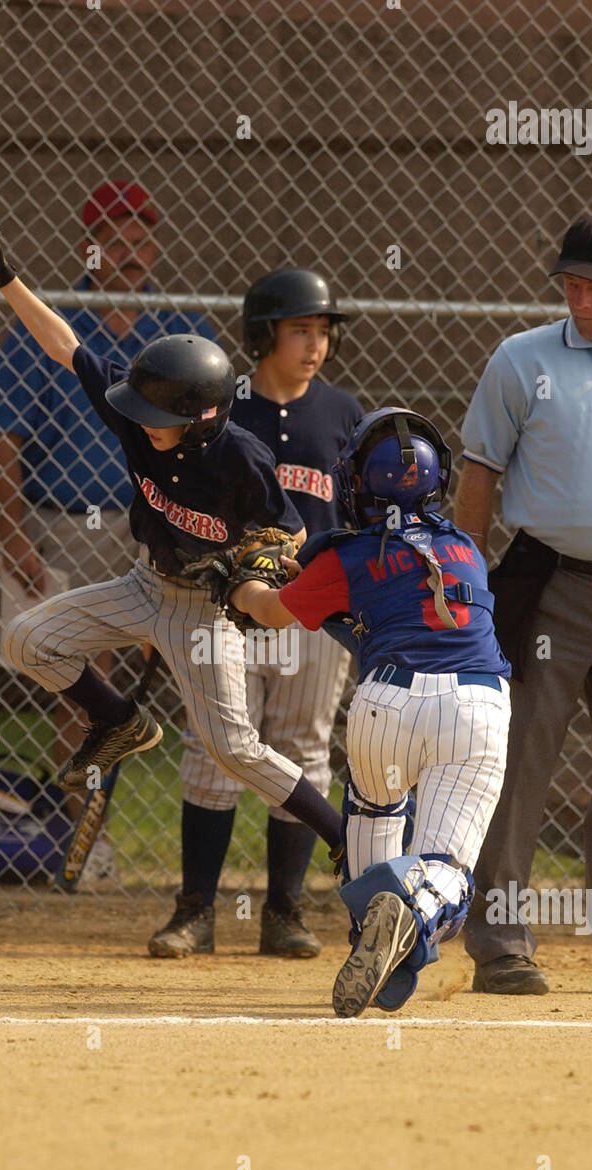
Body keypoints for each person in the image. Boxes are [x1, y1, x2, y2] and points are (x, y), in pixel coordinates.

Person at [0, 211, 345, 892]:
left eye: (163, 419)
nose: (145, 426)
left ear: (202, 419)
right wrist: (8, 280)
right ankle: (118, 718)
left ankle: (342, 838)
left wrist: (260, 566)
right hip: (143, 584)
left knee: (236, 752)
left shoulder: (240, 459)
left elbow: (294, 533)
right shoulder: (137, 418)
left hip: (204, 612)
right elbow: (64, 343)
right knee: (26, 640)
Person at [228, 408, 511, 1016]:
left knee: (376, 819)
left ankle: (374, 939)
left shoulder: (345, 557)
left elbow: (272, 610)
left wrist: (241, 585)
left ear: (358, 483)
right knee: (446, 867)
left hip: (385, 703)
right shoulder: (463, 547)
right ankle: (410, 910)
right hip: (477, 704)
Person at [455, 211, 592, 996]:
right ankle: (502, 945)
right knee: (518, 766)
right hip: (545, 587)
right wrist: (465, 580)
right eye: (569, 287)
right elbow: (479, 471)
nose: (578, 301)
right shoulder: (522, 361)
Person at [0, 180, 214, 886]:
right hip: (65, 525)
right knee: (84, 684)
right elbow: (1, 439)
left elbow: (210, 439)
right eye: (117, 239)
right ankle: (85, 842)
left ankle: (197, 860)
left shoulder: (177, 328)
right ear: (90, 247)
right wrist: (13, 534)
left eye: (144, 238)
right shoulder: (48, 323)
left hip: (160, 529)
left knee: (196, 676)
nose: (133, 252)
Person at [163, 269, 362, 961]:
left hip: (314, 609)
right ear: (262, 335)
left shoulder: (343, 412)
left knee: (302, 746)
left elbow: (356, 509)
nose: (316, 344)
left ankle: (284, 910)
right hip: (229, 605)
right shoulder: (225, 405)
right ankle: (196, 911)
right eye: (300, 330)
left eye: (323, 332)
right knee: (216, 746)